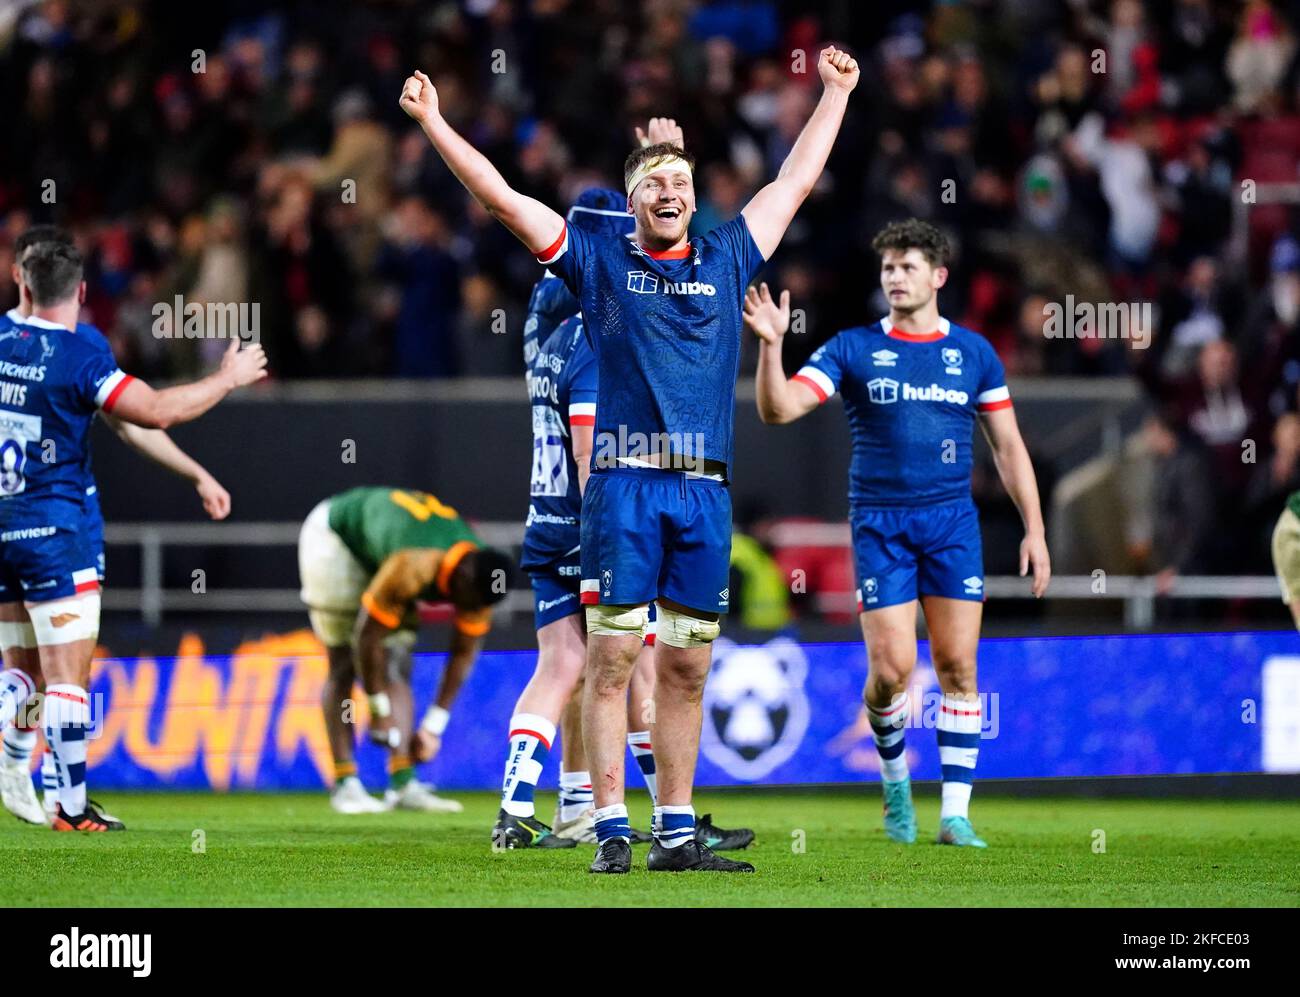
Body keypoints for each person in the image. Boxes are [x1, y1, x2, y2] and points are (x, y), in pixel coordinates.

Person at [400, 45, 859, 874]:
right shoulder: (599, 262)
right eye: (653, 182)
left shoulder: (727, 257)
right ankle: (611, 825)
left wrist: (833, 93)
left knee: (685, 665)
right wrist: (435, 121)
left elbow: (792, 183)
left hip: (705, 496)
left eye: (681, 180)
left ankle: (675, 832)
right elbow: (504, 201)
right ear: (632, 205)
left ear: (696, 195)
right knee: (611, 661)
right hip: (623, 490)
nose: (670, 191)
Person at [745, 218, 1050, 848]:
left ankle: (956, 816)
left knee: (959, 665)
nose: (895, 277)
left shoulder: (973, 354)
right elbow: (779, 410)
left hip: (951, 524)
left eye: (908, 267)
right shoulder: (852, 348)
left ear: (938, 277)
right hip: (881, 526)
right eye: (888, 267)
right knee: (893, 671)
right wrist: (772, 348)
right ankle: (894, 785)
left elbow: (1010, 448)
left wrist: (1035, 530)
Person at [497, 182, 752, 852]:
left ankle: (570, 807)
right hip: (596, 511)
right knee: (613, 667)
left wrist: (651, 164)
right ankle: (652, 816)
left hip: (544, 509)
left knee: (584, 665)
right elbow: (588, 444)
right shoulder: (596, 338)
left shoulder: (544, 323)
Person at [0, 240, 266, 831]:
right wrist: (225, 378)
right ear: (84, 292)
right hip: (55, 529)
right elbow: (155, 411)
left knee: (25, 672)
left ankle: (19, 771)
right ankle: (69, 808)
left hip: (4, 528)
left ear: (21, 284)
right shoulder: (81, 352)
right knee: (69, 676)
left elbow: (126, 422)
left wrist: (195, 472)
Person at [297, 485, 512, 813]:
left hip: (384, 546)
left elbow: (463, 652)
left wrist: (432, 728)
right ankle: (345, 783)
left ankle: (402, 781)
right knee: (343, 660)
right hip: (337, 536)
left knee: (397, 663)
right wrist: (378, 710)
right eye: (468, 603)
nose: (467, 611)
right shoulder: (413, 566)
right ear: (463, 579)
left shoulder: (482, 576)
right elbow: (366, 637)